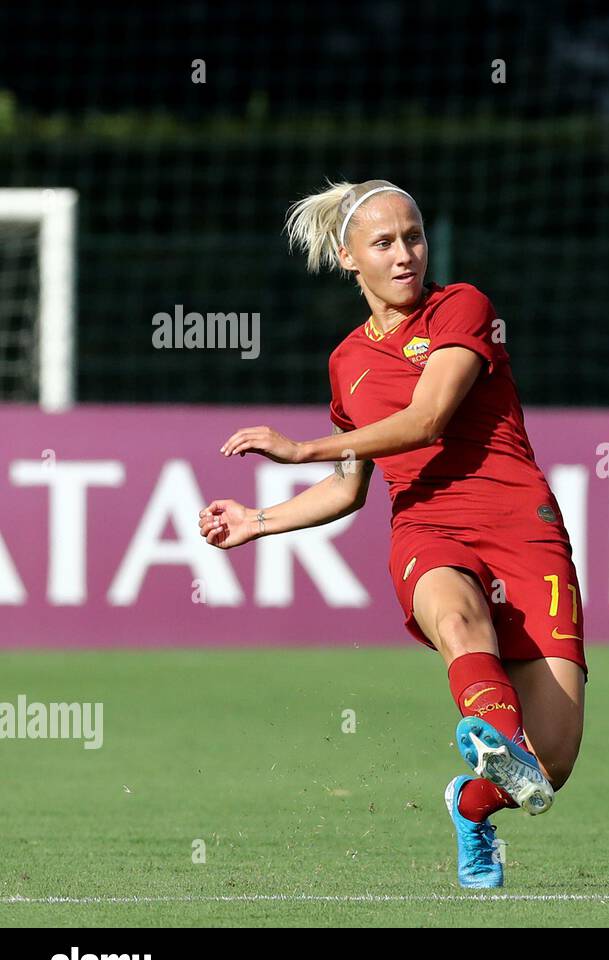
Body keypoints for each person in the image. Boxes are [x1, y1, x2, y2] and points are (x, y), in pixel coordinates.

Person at [197, 179, 585, 890]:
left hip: (522, 526)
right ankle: (493, 738)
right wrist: (258, 520)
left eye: (413, 236)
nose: (405, 253)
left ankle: (471, 805)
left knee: (551, 762)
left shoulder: (463, 306)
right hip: (428, 527)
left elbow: (429, 416)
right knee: (459, 620)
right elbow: (351, 485)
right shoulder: (346, 362)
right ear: (349, 258)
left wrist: (300, 447)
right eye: (384, 242)